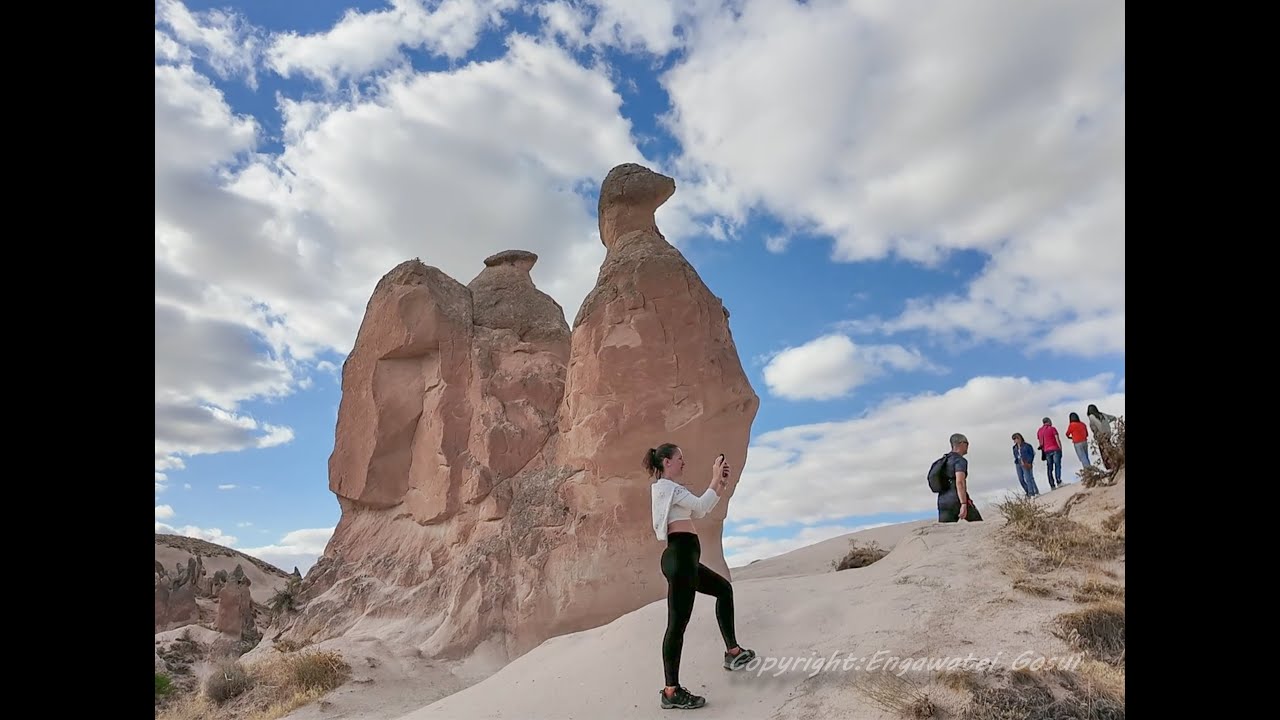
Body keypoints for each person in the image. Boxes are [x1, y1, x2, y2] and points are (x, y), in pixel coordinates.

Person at [647, 443, 757, 710]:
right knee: (677, 625)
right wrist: (713, 478)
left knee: (723, 590)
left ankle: (733, 652)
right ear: (666, 462)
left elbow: (700, 510)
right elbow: (699, 504)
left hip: (686, 559)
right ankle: (671, 690)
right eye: (680, 458)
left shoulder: (673, 492)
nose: (683, 462)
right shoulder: (665, 488)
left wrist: (719, 484)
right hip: (680, 558)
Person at [938, 433, 983, 523]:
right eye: (967, 443)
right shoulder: (960, 460)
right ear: (961, 443)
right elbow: (960, 482)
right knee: (978, 523)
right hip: (957, 498)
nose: (968, 446)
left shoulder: (944, 460)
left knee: (946, 531)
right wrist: (963, 503)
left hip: (943, 500)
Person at [1087, 404, 1120, 470]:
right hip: (1108, 433)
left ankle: (1110, 466)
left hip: (1101, 435)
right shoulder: (1102, 414)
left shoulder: (1091, 416)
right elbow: (1113, 418)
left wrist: (1099, 432)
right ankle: (1115, 462)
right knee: (1109, 448)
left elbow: (1098, 424)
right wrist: (1107, 424)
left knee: (1104, 451)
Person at [1036, 417, 1064, 488]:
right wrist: (1060, 448)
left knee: (1049, 468)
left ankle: (1052, 485)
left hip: (1046, 450)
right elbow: (1057, 438)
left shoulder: (1039, 431)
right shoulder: (1052, 428)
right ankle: (1059, 481)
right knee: (1057, 465)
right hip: (1055, 448)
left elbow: (1040, 442)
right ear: (1049, 421)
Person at [1011, 433, 1039, 498]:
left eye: (1015, 439)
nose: (1014, 441)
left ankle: (1031, 493)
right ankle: (1028, 491)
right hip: (1018, 463)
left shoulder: (1027, 446)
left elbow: (1032, 454)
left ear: (1019, 438)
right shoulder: (1014, 447)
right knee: (1021, 479)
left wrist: (1029, 462)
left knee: (1028, 478)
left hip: (1026, 462)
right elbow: (1016, 455)